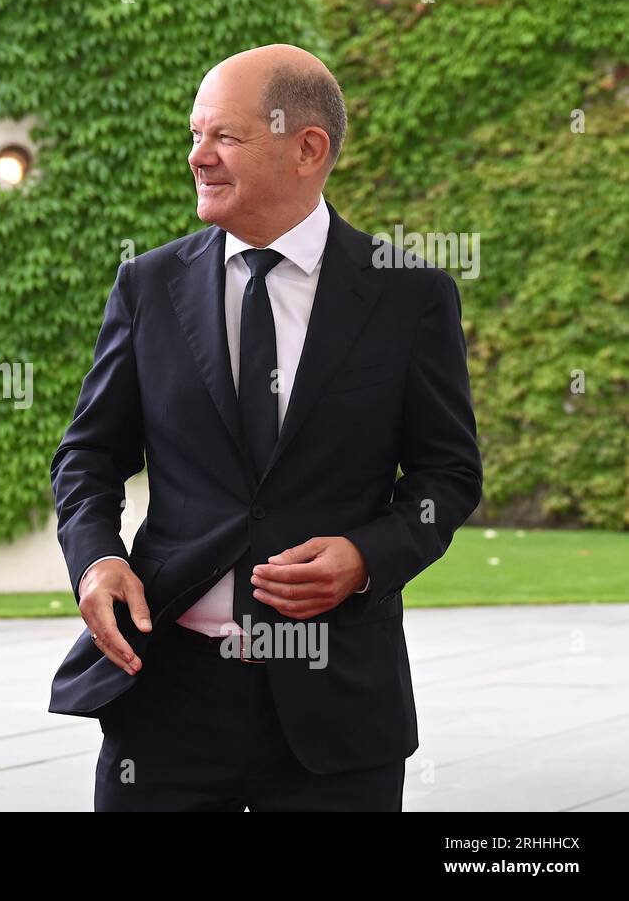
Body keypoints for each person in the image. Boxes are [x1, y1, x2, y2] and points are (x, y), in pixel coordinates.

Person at [48, 44, 482, 811]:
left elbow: (448, 476)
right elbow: (87, 456)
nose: (198, 157)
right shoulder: (148, 285)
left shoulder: (411, 295)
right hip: (166, 703)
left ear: (307, 146)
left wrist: (365, 554)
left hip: (337, 706)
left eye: (223, 137)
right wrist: (95, 560)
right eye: (194, 135)